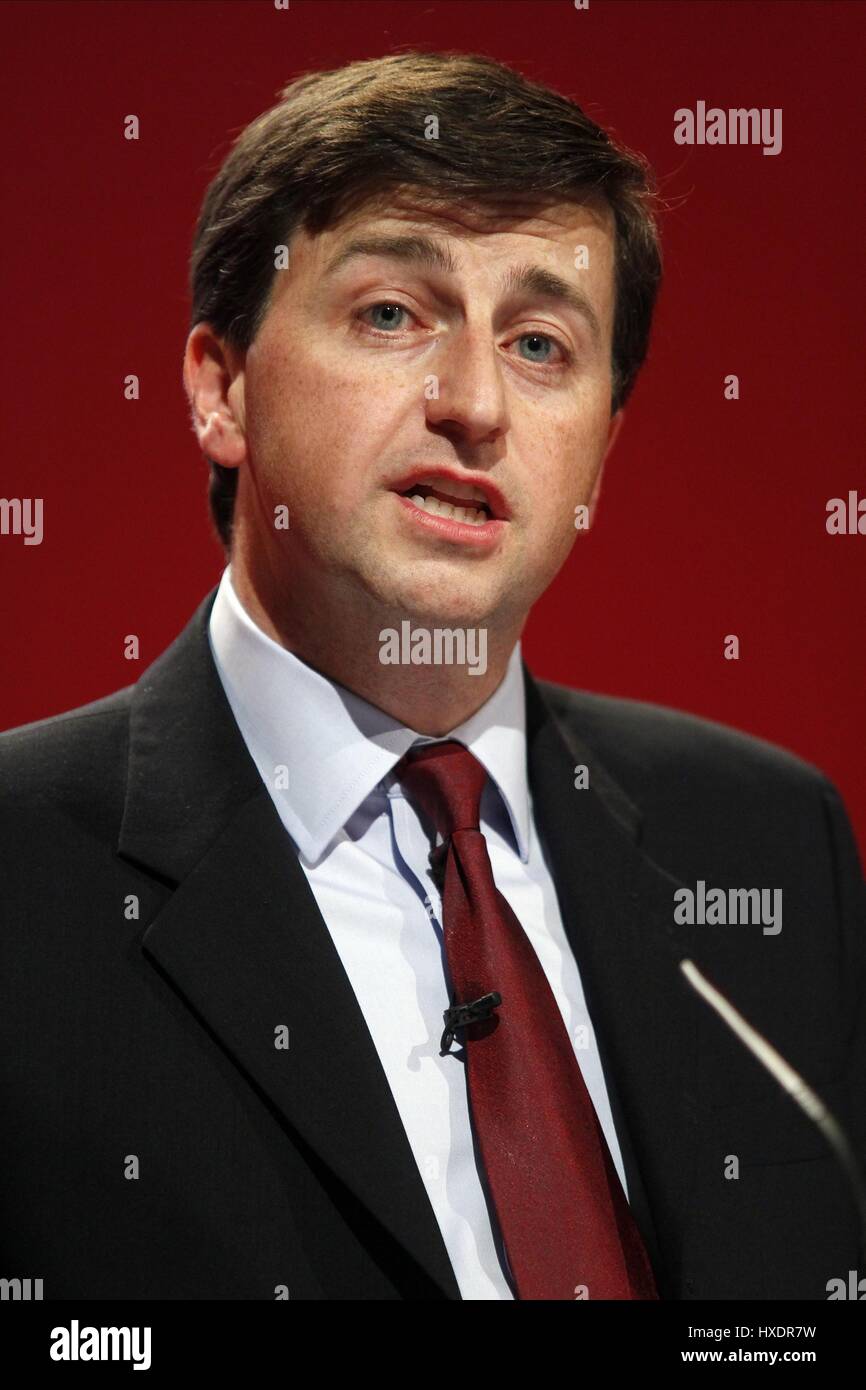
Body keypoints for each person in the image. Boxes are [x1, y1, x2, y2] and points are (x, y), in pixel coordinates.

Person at [1, 50, 863, 1302]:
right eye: (392, 314)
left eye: (539, 342)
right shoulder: (22, 882)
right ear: (221, 388)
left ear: (600, 458)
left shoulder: (769, 837)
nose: (473, 404)